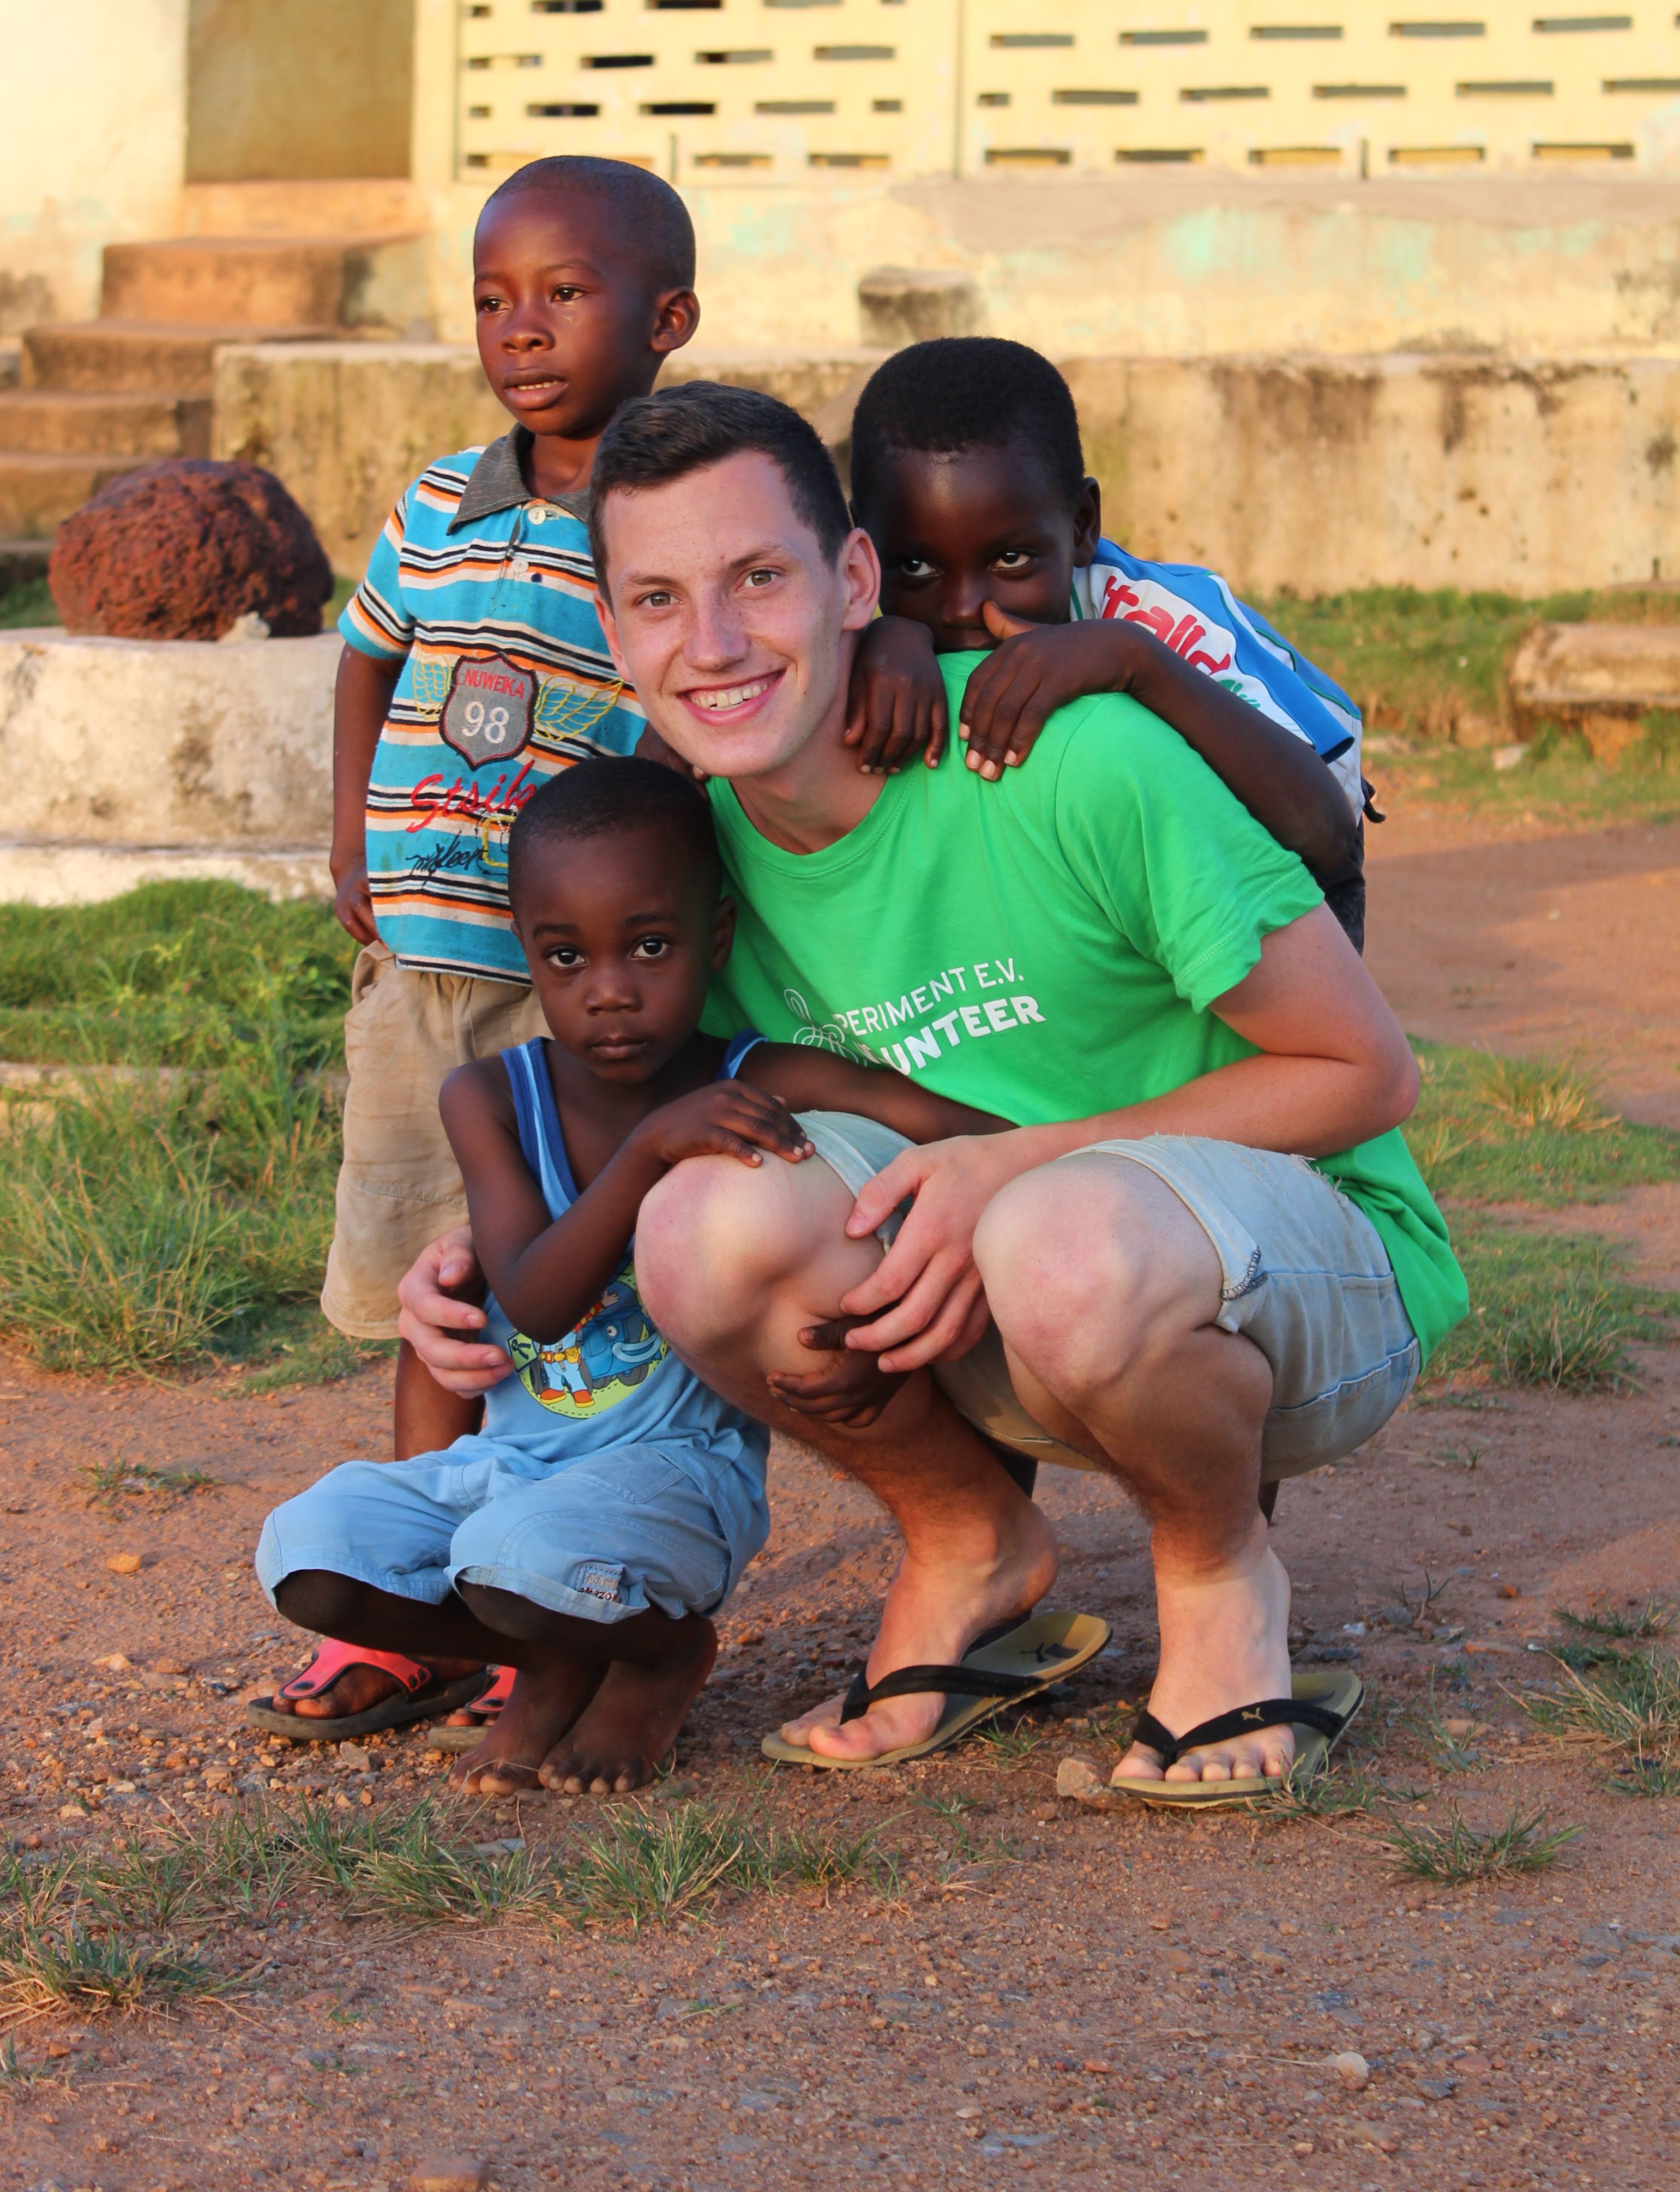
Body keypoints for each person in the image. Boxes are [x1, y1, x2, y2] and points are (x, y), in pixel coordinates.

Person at [401, 382, 1462, 1799]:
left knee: (1062, 1234)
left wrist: (1012, 1168)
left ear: (852, 579)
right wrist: (485, 1250)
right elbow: (623, 1123)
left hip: (1299, 1292)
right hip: (999, 1309)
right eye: (657, 598)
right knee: (697, 1222)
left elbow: (1362, 1071)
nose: (710, 644)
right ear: (614, 633)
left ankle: (1219, 1577)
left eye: (758, 579)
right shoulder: (685, 864)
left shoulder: (1067, 756)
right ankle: (971, 1541)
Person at [255, 757, 1068, 1797]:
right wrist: (651, 1152)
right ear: (528, 953)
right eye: (565, 954)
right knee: (308, 1549)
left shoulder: (756, 1080)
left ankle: (658, 1651)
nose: (609, 990)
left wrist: (882, 1328)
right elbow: (538, 1296)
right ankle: (555, 1653)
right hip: (513, 1462)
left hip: (679, 1473)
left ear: (713, 938)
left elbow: (967, 1135)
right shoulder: (490, 1096)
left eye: (649, 946)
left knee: (517, 1552)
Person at [264, 154, 700, 1738]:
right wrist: (345, 833)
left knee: (557, 1293)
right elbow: (371, 668)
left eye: (564, 294)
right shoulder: (438, 503)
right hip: (417, 973)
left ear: (669, 319)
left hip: (563, 992)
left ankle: (546, 1592)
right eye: (492, 297)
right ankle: (415, 1600)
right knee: (423, 1289)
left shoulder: (667, 526)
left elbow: (697, 718)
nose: (519, 326)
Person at [839, 335, 1374, 946]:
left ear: (1083, 524)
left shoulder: (1151, 622)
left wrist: (1133, 662)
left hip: (1305, 849)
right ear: (862, 549)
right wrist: (882, 636)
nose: (964, 610)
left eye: (1011, 559)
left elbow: (1327, 837)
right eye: (914, 568)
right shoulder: (839, 616)